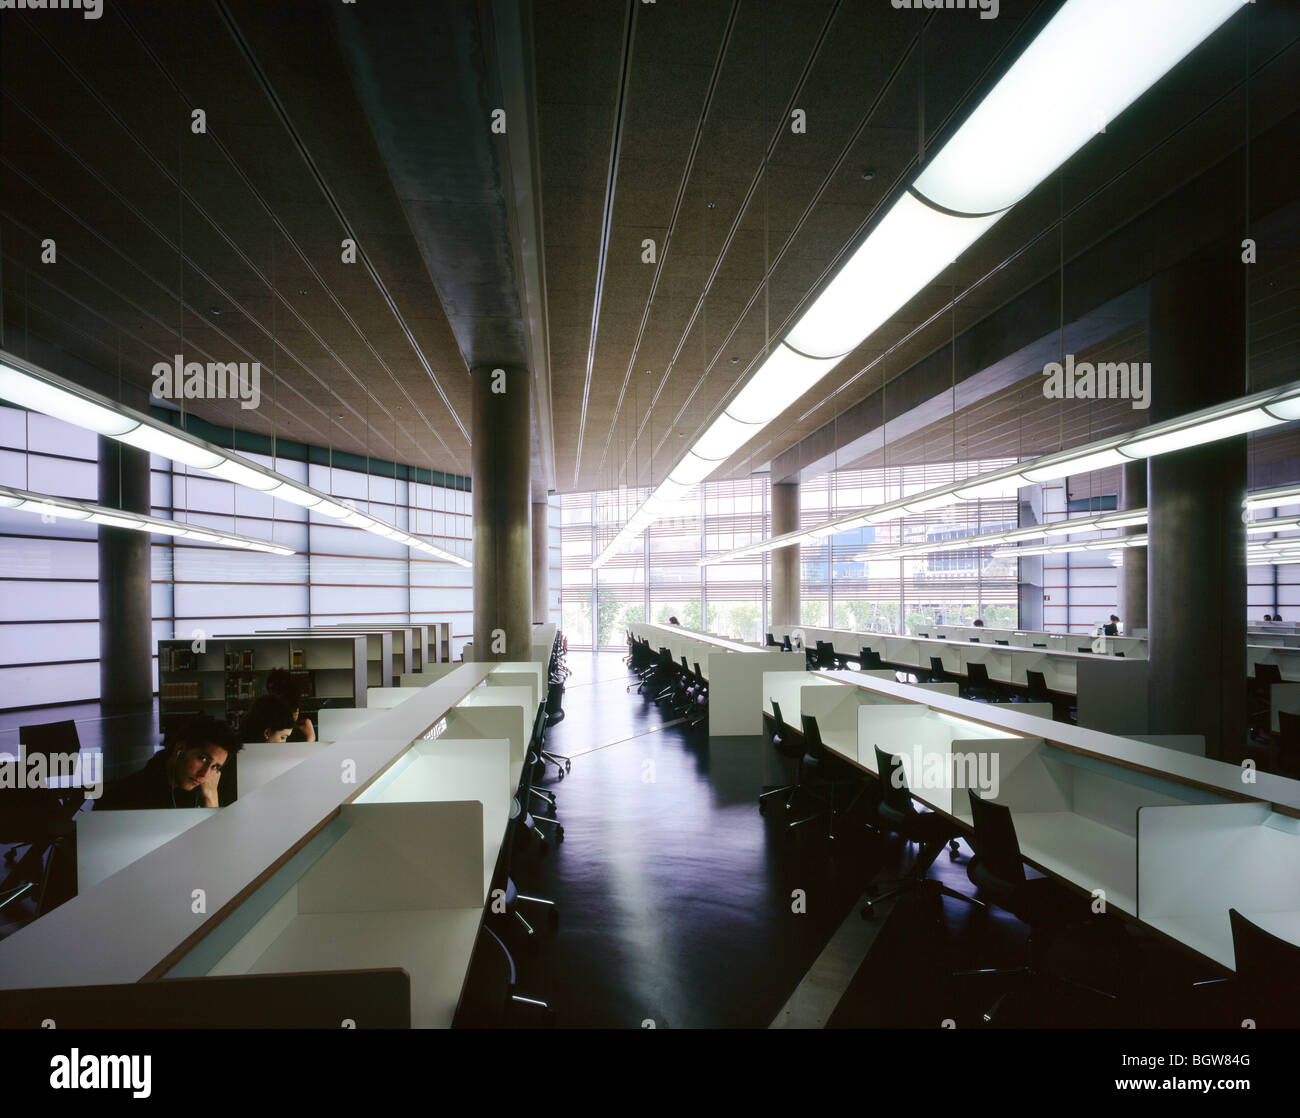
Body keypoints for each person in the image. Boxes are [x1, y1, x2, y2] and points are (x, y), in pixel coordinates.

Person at [96, 715, 240, 810]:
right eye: (202, 759)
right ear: (180, 749)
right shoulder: (126, 797)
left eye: (215, 767)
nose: (205, 774)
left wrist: (211, 798)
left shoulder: (209, 789)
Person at [266, 668, 316, 742]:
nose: (296, 712)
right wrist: (310, 737)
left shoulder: (299, 728)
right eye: (292, 708)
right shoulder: (275, 728)